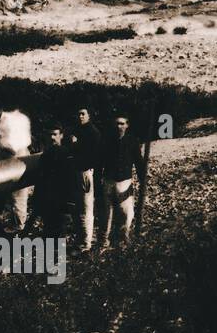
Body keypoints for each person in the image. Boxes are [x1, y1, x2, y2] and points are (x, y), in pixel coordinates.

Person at [101, 114, 140, 249]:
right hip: (109, 180)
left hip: (125, 181)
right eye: (117, 124)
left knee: (126, 212)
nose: (119, 126)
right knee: (107, 213)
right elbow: (101, 161)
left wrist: (142, 179)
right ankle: (105, 240)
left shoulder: (132, 141)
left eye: (122, 124)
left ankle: (124, 238)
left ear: (127, 125)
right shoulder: (108, 141)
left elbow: (138, 162)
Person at [69, 106, 102, 251]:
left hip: (85, 172)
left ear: (89, 115)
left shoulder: (92, 132)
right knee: (78, 208)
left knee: (85, 208)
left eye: (83, 114)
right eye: (78, 114)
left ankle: (86, 243)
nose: (80, 116)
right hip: (77, 172)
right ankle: (81, 240)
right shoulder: (78, 130)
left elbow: (92, 155)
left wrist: (75, 144)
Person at [32, 124, 73, 239]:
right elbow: (40, 178)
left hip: (61, 197)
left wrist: (69, 200)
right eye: (50, 135)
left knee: (59, 228)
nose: (52, 137)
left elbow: (70, 179)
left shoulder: (66, 154)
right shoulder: (45, 155)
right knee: (48, 227)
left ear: (61, 136)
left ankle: (57, 252)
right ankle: (49, 251)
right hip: (47, 197)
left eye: (55, 134)